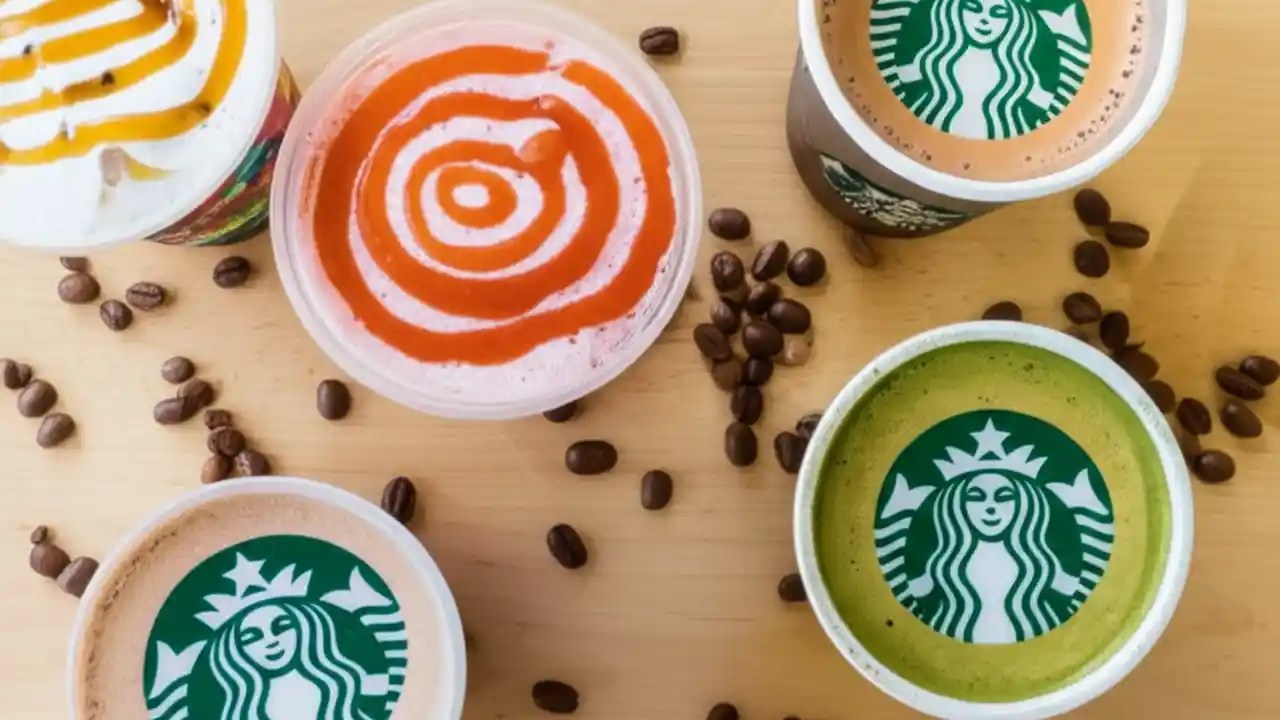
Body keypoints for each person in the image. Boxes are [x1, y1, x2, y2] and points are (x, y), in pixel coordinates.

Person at [892, 0, 1056, 139]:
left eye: (998, 13)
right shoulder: (933, 62)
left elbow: (1048, 104)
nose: (984, 19)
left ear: (1014, 21)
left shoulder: (1019, 77)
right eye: (973, 7)